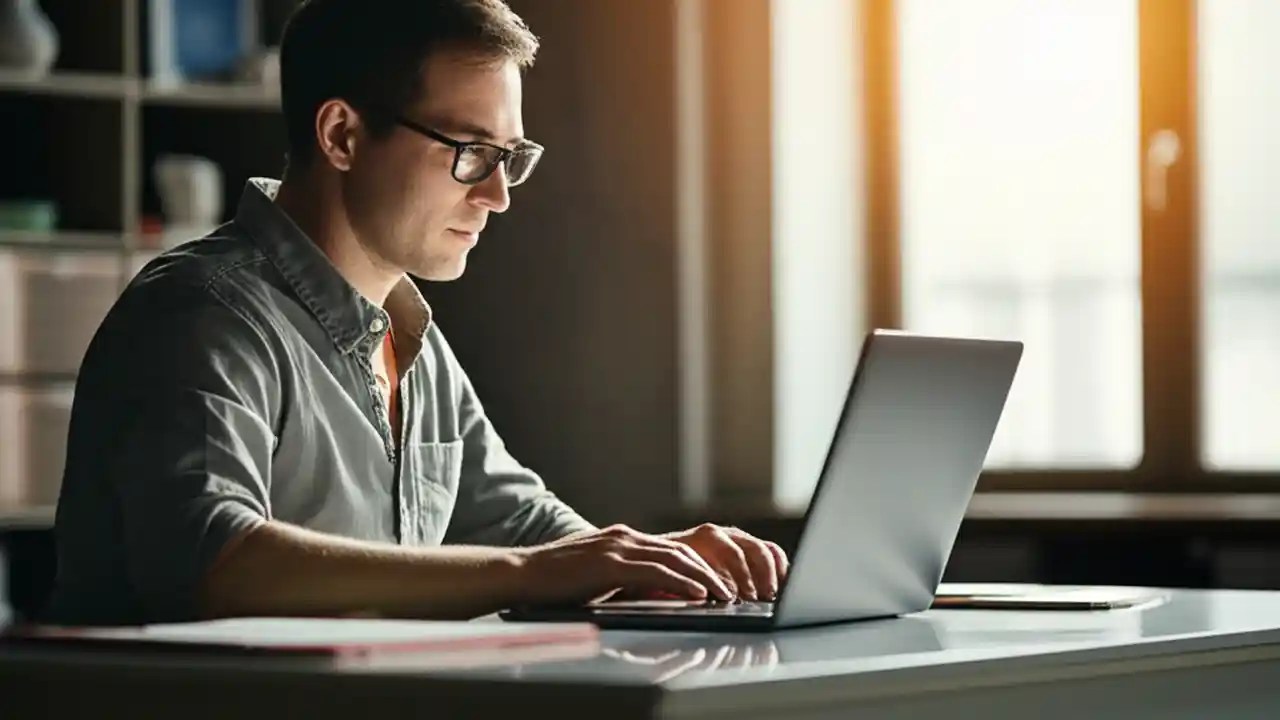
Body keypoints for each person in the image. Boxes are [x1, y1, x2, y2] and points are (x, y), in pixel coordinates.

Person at [47, 0, 786, 626]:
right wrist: (531, 572)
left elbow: (527, 529)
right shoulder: (201, 316)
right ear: (340, 135)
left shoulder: (413, 342)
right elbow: (213, 558)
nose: (497, 195)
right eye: (470, 151)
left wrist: (657, 566)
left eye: (510, 156)